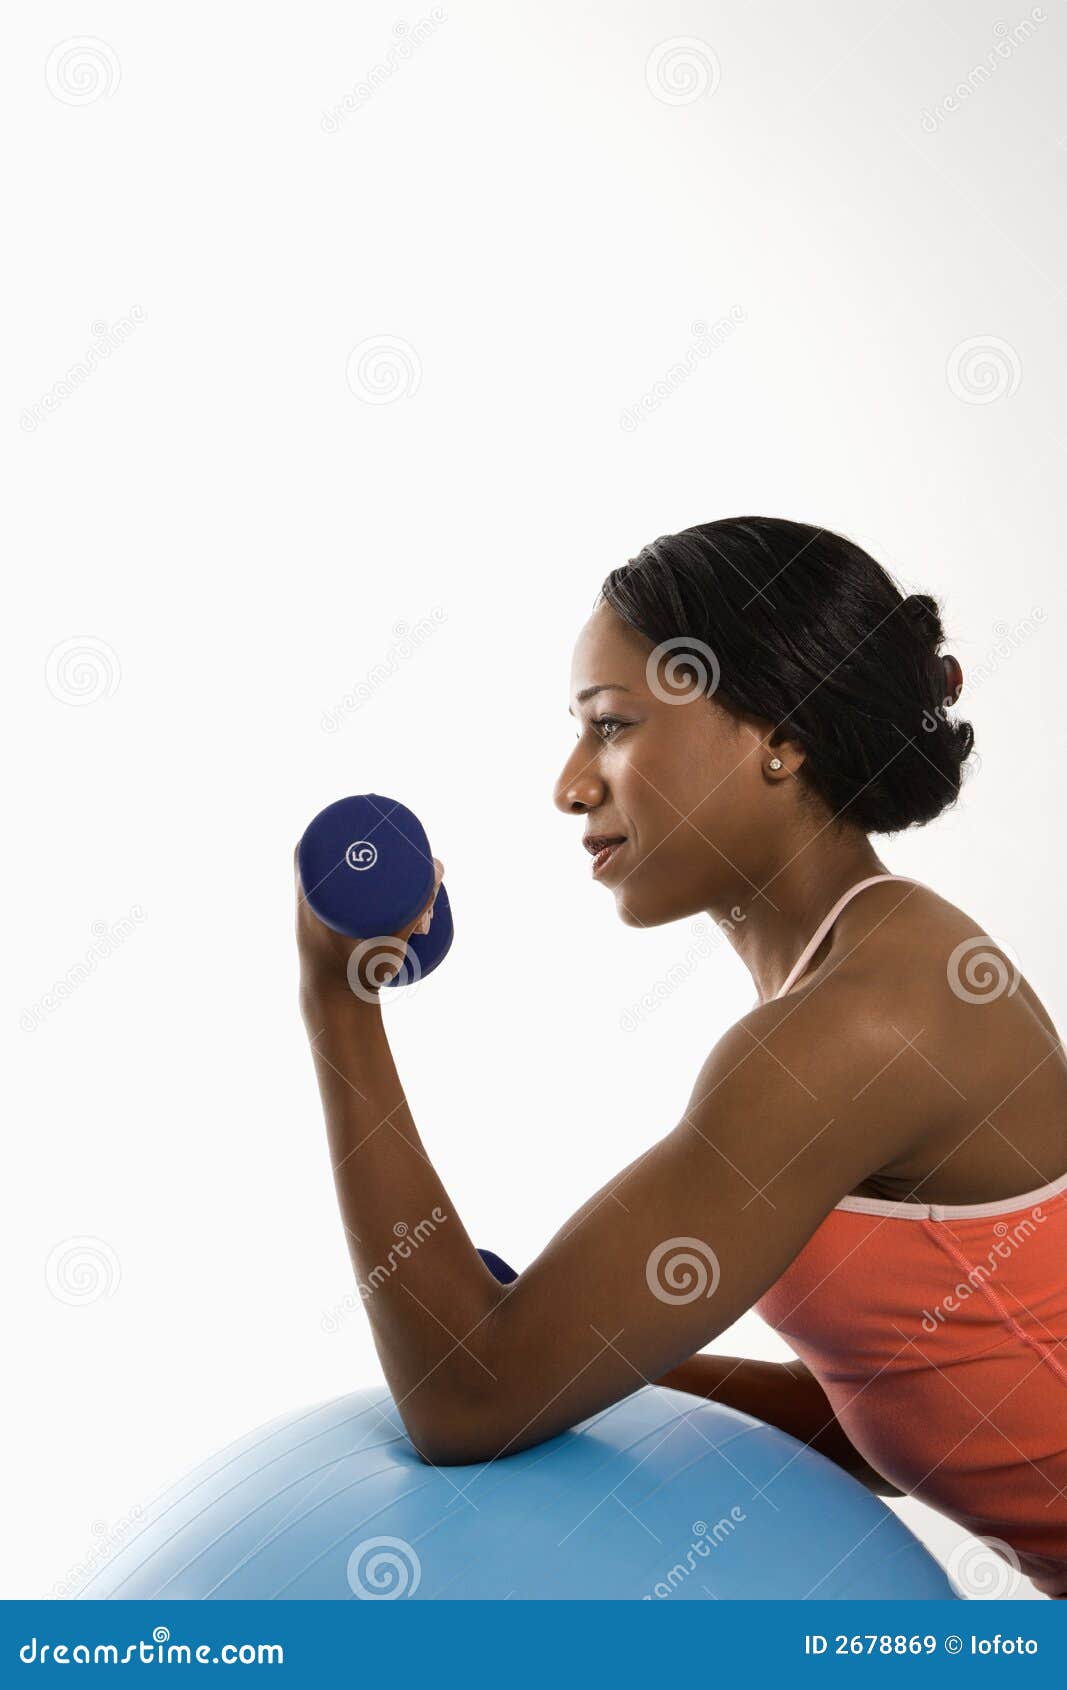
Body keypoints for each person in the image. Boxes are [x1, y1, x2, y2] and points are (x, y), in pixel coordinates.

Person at [295, 516, 1067, 1599]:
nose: (569, 784)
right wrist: (588, 1349)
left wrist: (336, 1001)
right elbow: (918, 1410)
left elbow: (461, 1403)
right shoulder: (867, 971)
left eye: (609, 726)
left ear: (778, 736)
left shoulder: (866, 1019)